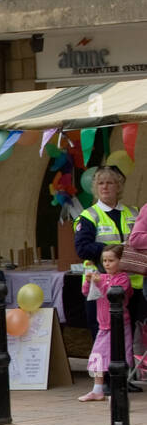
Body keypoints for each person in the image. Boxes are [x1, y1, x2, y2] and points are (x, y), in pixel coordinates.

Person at [76, 166, 143, 390]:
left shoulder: (133, 213)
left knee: (127, 335)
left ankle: (122, 379)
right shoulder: (89, 216)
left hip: (131, 284)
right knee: (103, 334)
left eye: (110, 183)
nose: (105, 187)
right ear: (95, 188)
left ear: (119, 187)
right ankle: (103, 381)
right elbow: (83, 248)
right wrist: (113, 249)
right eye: (101, 183)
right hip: (103, 287)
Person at [78, 245, 134, 401]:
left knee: (119, 357)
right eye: (104, 260)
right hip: (103, 326)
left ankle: (118, 389)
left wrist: (99, 283)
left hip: (120, 326)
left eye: (111, 260)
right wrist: (89, 282)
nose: (107, 264)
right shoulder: (101, 276)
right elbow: (86, 292)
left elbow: (116, 292)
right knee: (96, 356)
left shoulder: (123, 278)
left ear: (121, 262)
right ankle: (97, 389)